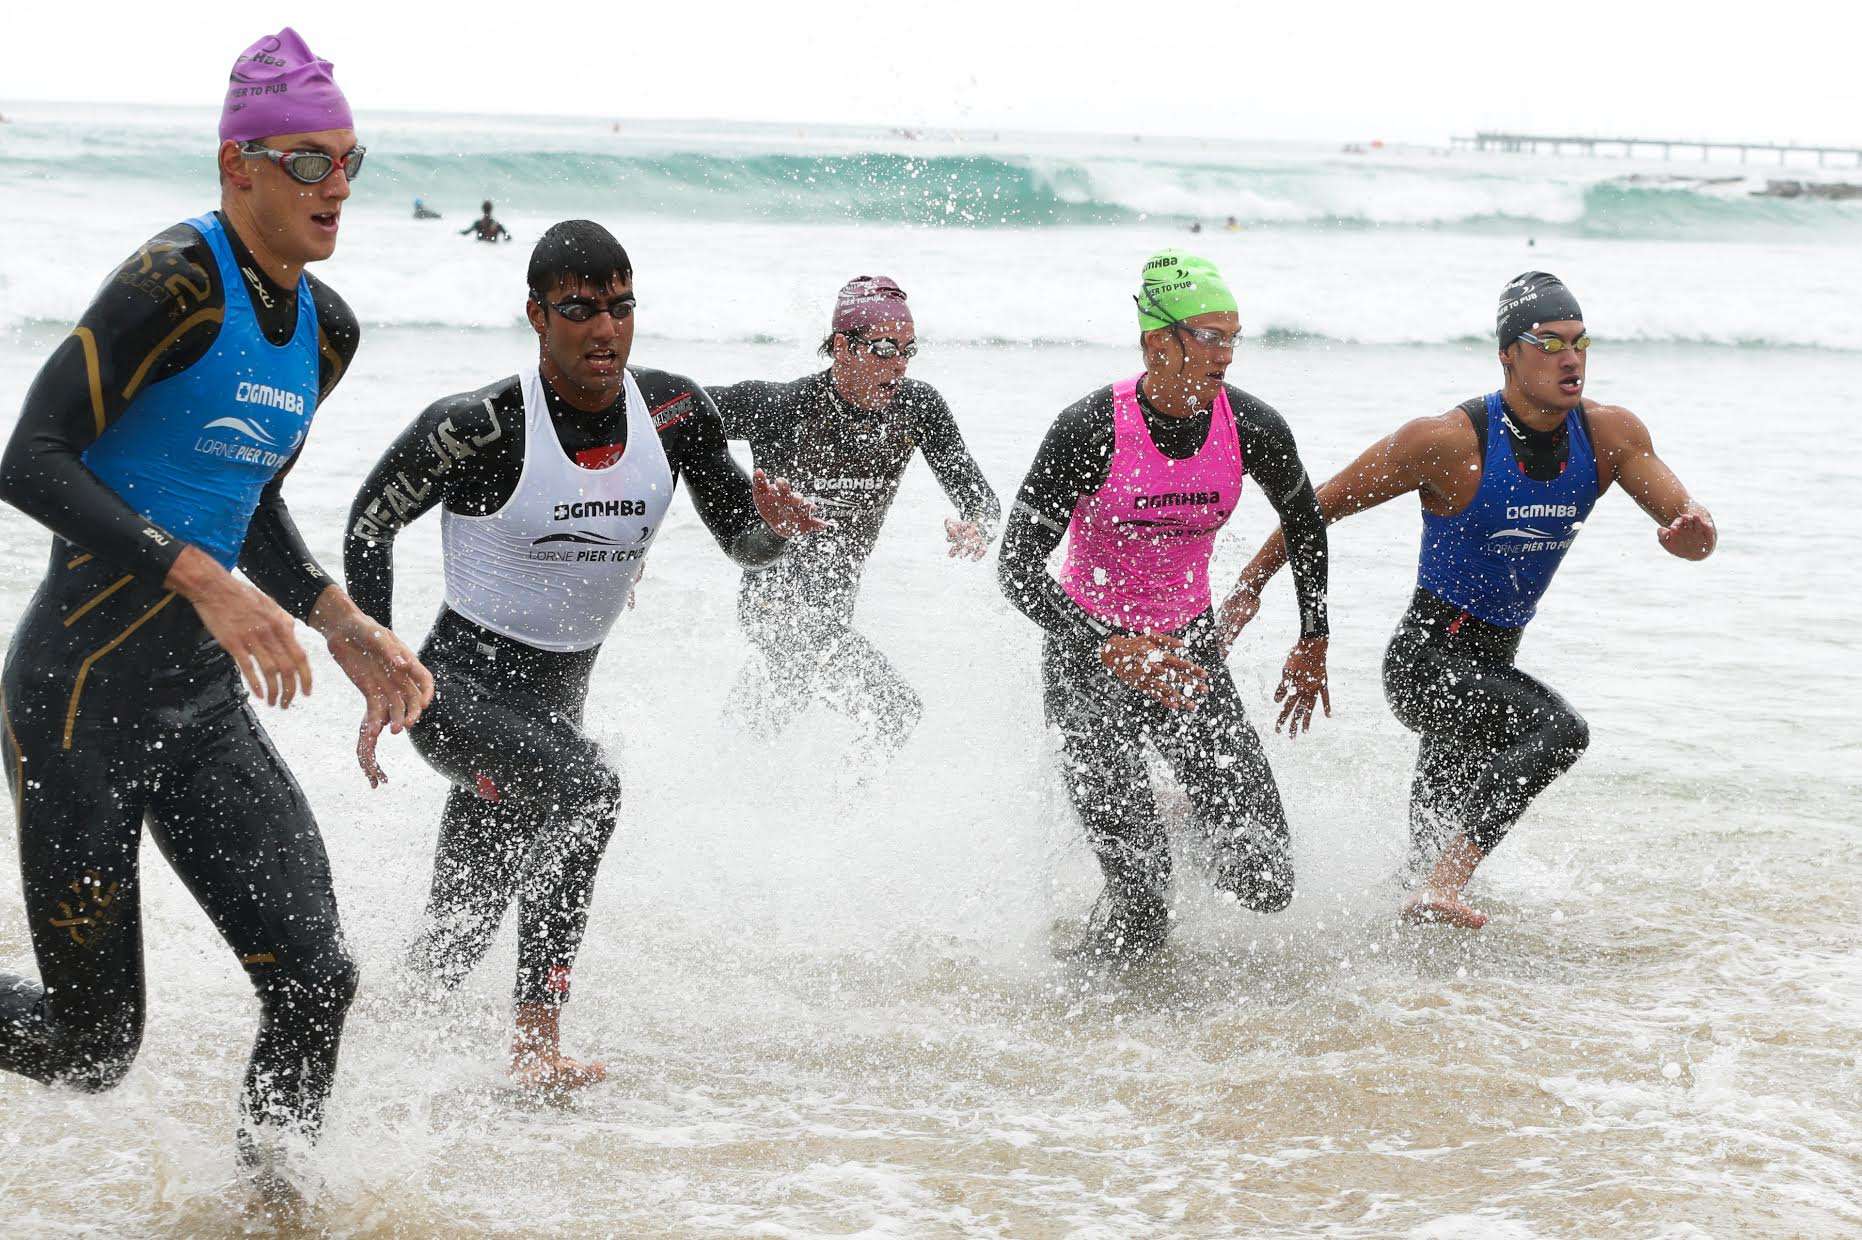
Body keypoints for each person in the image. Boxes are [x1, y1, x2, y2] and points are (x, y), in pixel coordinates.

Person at [0, 28, 431, 1188]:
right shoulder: (174, 282)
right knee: (90, 1047)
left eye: (348, 160)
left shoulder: (326, 332)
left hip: (196, 708)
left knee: (315, 978)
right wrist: (199, 577)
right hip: (79, 704)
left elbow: (247, 496)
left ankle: (269, 1205)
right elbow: (30, 458)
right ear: (237, 165)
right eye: (307, 161)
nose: (335, 185)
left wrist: (340, 619)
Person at [345, 220, 824, 1091]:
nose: (605, 330)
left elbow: (743, 544)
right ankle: (536, 1048)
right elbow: (369, 524)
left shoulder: (674, 414)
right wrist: (379, 666)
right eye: (580, 309)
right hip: (457, 691)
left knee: (454, 938)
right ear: (537, 314)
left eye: (621, 307)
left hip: (555, 701)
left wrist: (777, 532)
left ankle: (375, 1046)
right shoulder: (480, 426)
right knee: (588, 790)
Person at [1222, 272, 1717, 929]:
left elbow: (1686, 523)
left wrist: (1694, 534)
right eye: (1549, 343)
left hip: (1490, 669)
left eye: (1580, 342)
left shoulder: (1610, 436)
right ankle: (1446, 884)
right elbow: (1318, 507)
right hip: (1426, 665)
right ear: (1508, 354)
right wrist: (1250, 587)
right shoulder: (1449, 442)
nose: (1571, 358)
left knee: (1420, 864)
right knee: (1559, 732)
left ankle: (1395, 931)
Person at [998, 251, 1330, 964]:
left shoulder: (1252, 425)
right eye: (1208, 337)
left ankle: (1169, 822)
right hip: (1089, 664)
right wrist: (1107, 643)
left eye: (1232, 337)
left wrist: (1314, 638)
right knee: (1144, 907)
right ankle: (1080, 989)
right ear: (1158, 342)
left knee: (1266, 879)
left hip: (1188, 656)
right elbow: (1016, 568)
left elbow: (1305, 520)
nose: (1225, 355)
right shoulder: (1090, 428)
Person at [709, 276, 999, 756]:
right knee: (896, 711)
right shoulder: (783, 407)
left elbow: (981, 499)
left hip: (834, 604)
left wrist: (978, 526)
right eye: (885, 349)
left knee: (765, 720)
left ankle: (720, 772)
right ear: (842, 347)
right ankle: (836, 805)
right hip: (772, 604)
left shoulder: (918, 408)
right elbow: (671, 411)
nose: (900, 364)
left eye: (908, 350)